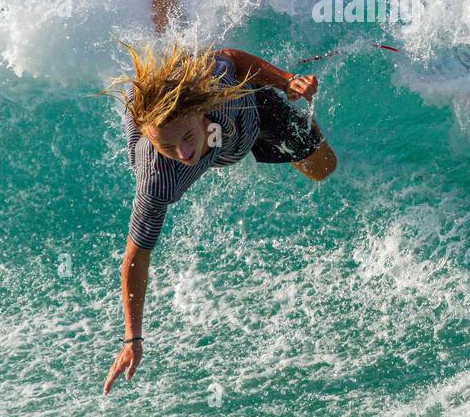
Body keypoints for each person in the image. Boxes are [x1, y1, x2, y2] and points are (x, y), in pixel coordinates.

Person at [102, 39, 336, 394]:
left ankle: (165, 25)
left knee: (323, 167)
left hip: (254, 110)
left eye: (186, 137)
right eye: (168, 146)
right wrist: (132, 338)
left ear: (200, 112)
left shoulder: (214, 85)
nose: (184, 153)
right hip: (222, 138)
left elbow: (230, 58)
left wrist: (286, 80)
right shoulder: (159, 178)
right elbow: (135, 257)